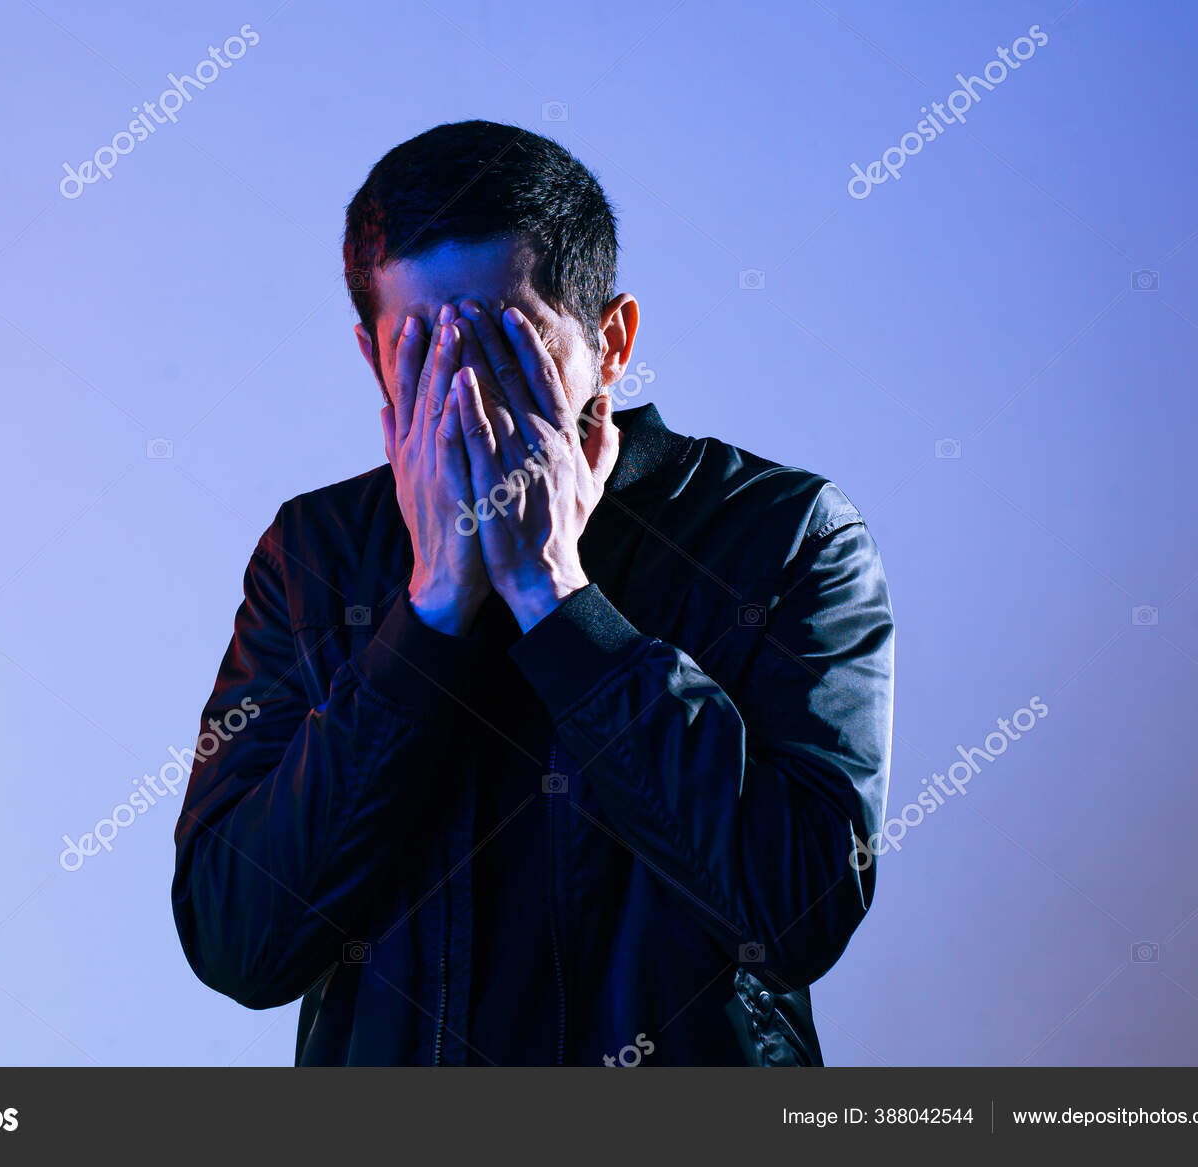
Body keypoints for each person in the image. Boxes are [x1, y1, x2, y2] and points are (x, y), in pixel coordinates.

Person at [172, 120, 894, 1065]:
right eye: (425, 351)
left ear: (614, 341)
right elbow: (239, 942)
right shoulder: (315, 553)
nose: (468, 393)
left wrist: (557, 596)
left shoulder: (784, 534)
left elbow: (799, 910)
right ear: (371, 361)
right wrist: (427, 611)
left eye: (513, 349)